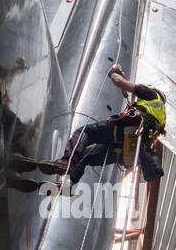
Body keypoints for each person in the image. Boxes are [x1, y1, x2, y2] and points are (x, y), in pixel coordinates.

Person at [37, 63, 167, 185]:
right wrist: (123, 78)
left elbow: (119, 82)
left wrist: (114, 73)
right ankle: (66, 186)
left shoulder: (151, 94)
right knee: (85, 157)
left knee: (84, 132)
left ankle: (66, 161)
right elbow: (131, 96)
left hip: (126, 129)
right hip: (126, 148)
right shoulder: (160, 117)